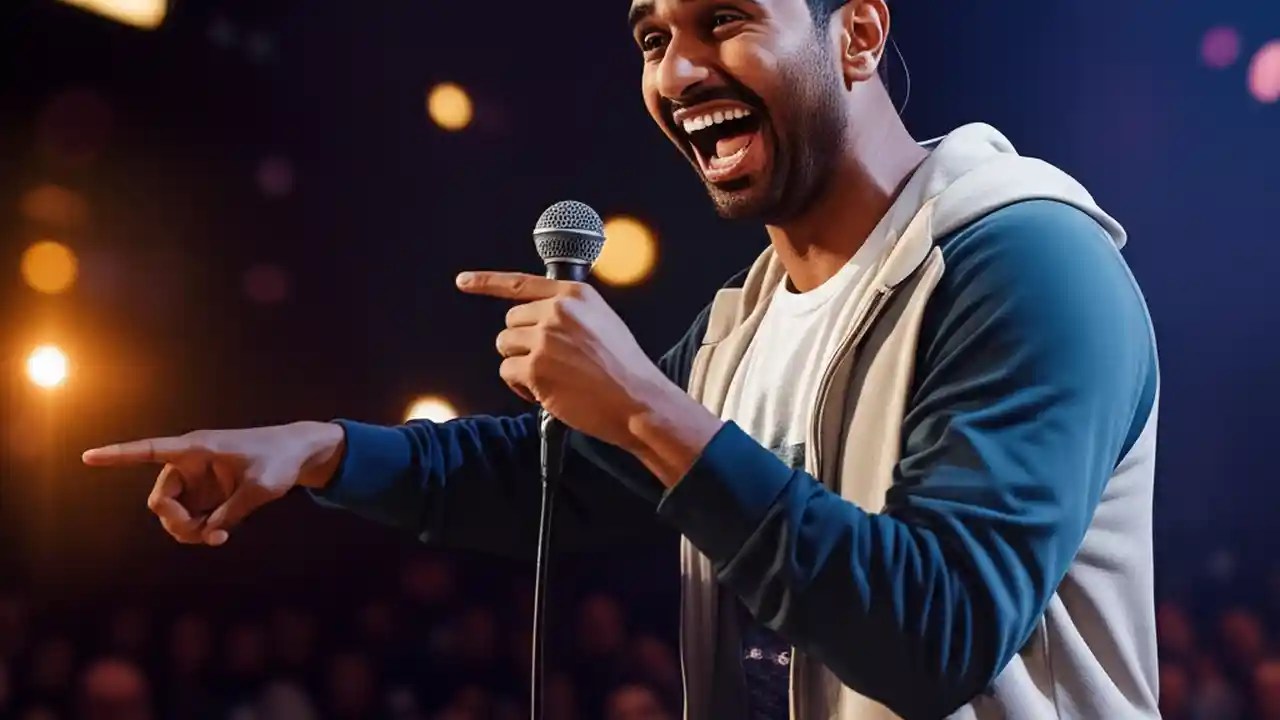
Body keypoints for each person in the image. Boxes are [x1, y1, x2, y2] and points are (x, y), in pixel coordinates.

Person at [82, 0, 1160, 717]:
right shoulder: (750, 318)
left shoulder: (1026, 261)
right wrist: (320, 451)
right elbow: (553, 477)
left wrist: (646, 401)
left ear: (858, 35)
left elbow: (940, 632)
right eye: (651, 38)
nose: (679, 71)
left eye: (724, 20)